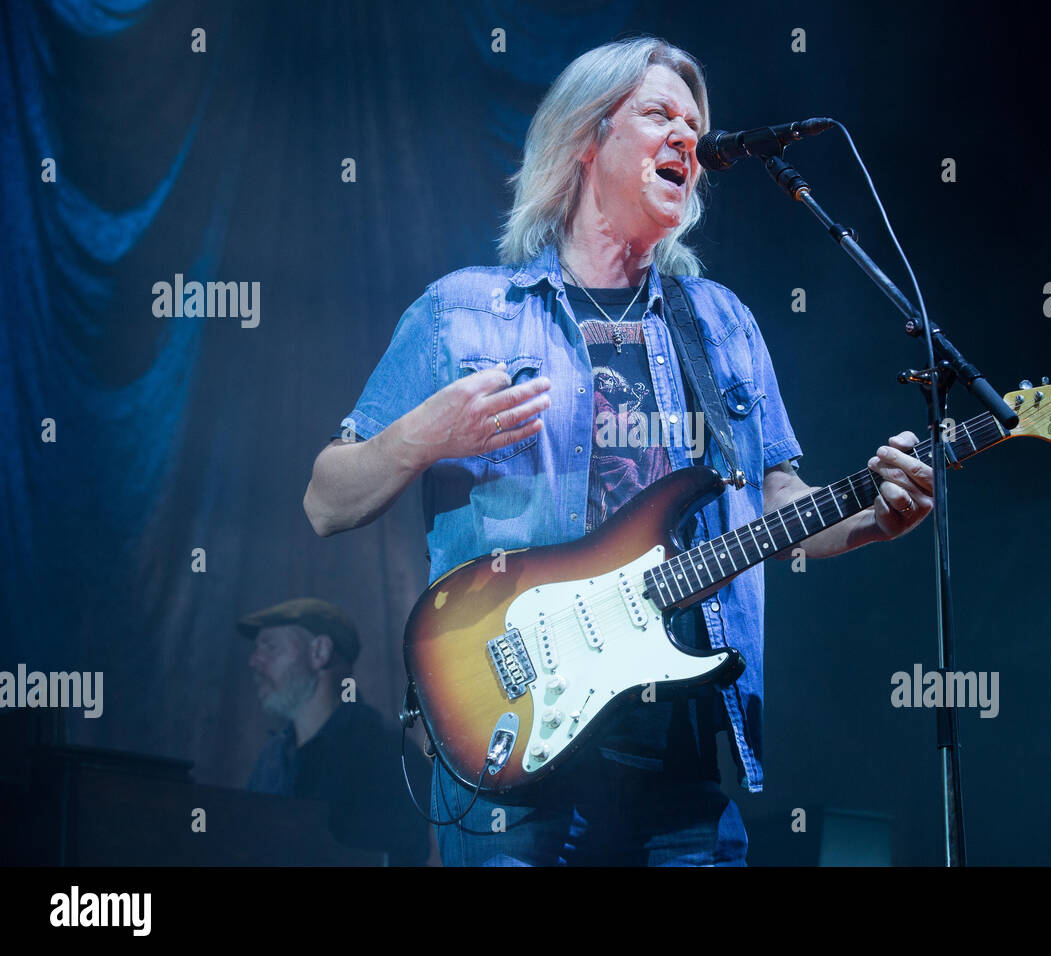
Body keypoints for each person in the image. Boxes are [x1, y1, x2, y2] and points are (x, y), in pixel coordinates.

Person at [303, 37, 933, 866]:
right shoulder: (463, 313)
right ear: (585, 137)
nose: (689, 140)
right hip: (515, 744)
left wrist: (871, 521)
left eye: (697, 126)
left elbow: (773, 505)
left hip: (680, 754)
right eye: (659, 115)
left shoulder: (720, 324)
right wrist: (425, 435)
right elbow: (326, 501)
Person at [239, 598, 431, 865]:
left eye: (270, 647)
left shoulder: (388, 757)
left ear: (320, 652)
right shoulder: (272, 757)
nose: (254, 661)